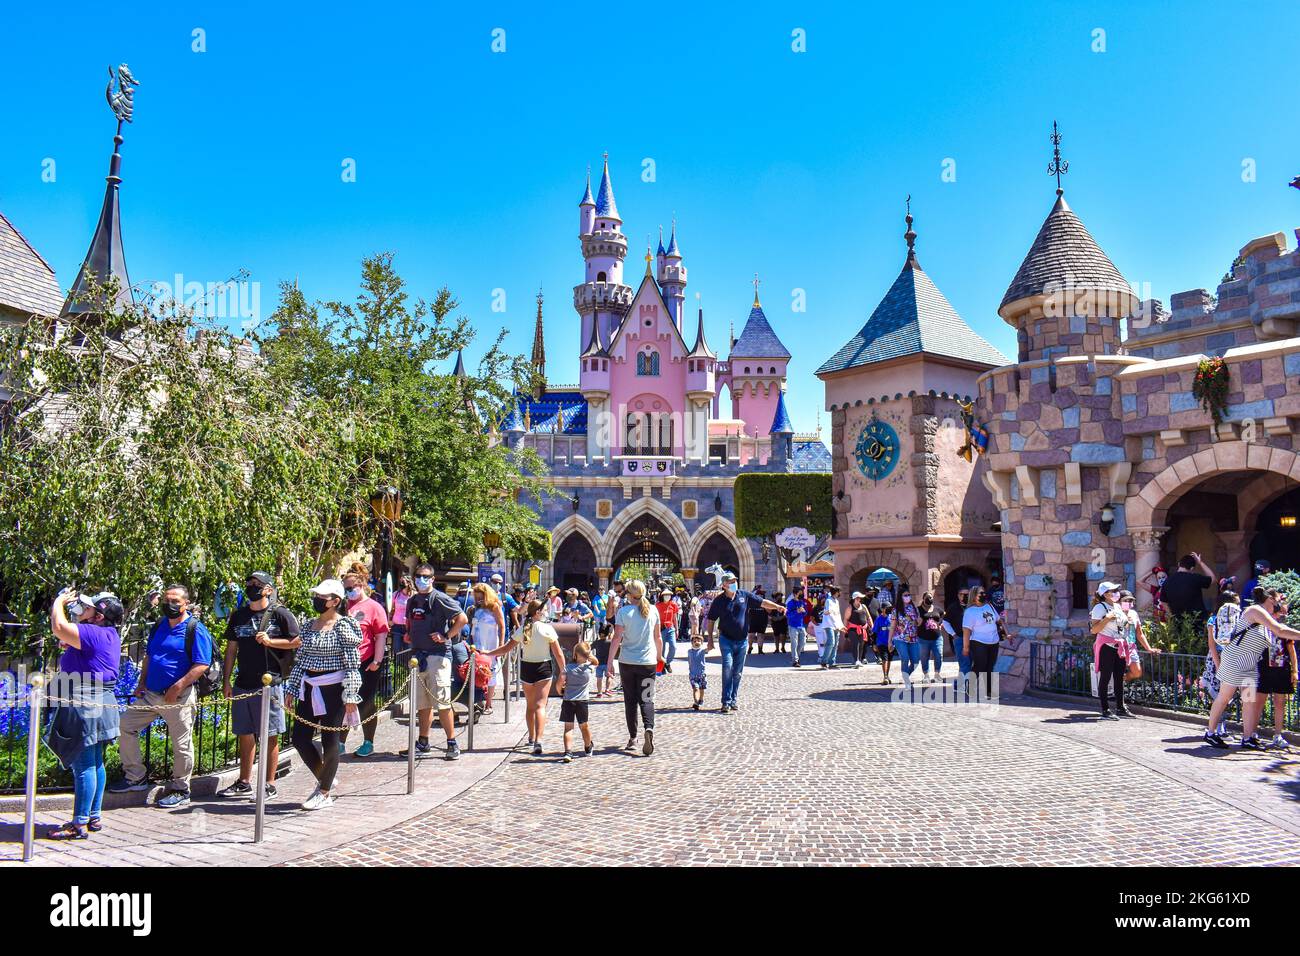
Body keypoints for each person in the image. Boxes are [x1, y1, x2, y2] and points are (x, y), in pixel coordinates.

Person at [111, 584, 214, 808]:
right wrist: (141, 682)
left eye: (175, 601)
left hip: (179, 698)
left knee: (181, 744)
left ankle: (180, 788)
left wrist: (178, 686)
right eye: (167, 600)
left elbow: (202, 664)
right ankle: (135, 776)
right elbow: (149, 656)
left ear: (186, 603)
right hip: (150, 695)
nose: (170, 605)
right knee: (125, 725)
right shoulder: (159, 625)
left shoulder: (195, 629)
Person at [45, 589, 123, 839]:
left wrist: (59, 601)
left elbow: (58, 625)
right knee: (96, 761)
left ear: (99, 616)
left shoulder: (91, 632)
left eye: (88, 608)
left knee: (83, 764)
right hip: (102, 704)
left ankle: (78, 824)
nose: (82, 610)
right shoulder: (108, 633)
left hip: (85, 705)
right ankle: (93, 816)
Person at [283, 579, 363, 810]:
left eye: (322, 597)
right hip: (309, 686)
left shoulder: (344, 626)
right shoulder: (308, 626)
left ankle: (324, 792)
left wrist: (350, 696)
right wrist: (292, 688)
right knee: (300, 738)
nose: (317, 600)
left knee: (331, 741)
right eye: (317, 596)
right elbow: (301, 661)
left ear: (335, 601)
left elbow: (352, 664)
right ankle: (325, 776)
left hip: (333, 688)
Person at [220, 572, 300, 796]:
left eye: (256, 584)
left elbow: (297, 640)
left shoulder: (280, 614)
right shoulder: (239, 615)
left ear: (268, 589)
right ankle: (244, 781)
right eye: (249, 583)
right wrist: (226, 680)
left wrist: (271, 641)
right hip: (243, 682)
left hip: (269, 683)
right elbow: (231, 649)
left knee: (270, 734)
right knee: (244, 733)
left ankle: (269, 784)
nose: (251, 587)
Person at [1205, 587, 1300, 750]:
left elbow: (1279, 632)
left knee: (1248, 701)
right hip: (1235, 661)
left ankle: (1247, 738)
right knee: (1224, 698)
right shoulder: (1255, 610)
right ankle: (1210, 733)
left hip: (1249, 665)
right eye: (1277, 601)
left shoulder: (1266, 617)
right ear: (1269, 599)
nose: (1278, 605)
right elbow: (1280, 631)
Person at [479, 599, 565, 755]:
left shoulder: (523, 629)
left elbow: (506, 648)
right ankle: (538, 740)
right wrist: (563, 671)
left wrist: (489, 653)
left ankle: (531, 737)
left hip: (526, 668)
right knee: (540, 706)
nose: (546, 612)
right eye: (544, 610)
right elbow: (558, 653)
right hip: (543, 667)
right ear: (538, 612)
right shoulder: (547, 629)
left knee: (530, 706)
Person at [401, 563, 468, 760]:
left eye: (425, 576)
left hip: (438, 656)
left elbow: (462, 619)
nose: (421, 579)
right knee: (422, 703)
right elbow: (411, 622)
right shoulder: (413, 600)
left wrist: (446, 635)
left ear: (432, 579)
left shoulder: (439, 598)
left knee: (442, 701)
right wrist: (408, 634)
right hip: (418, 655)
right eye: (418, 575)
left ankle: (452, 743)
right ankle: (423, 741)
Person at [706, 573, 783, 713]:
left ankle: (733, 699)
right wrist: (710, 640)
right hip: (726, 639)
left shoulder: (744, 596)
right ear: (724, 585)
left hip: (742, 641)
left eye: (735, 580)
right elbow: (711, 620)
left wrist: (777, 606)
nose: (734, 583)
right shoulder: (719, 601)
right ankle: (726, 701)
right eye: (731, 581)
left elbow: (762, 602)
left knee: (738, 673)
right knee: (727, 668)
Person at [608, 580, 664, 752]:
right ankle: (649, 728)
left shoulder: (623, 612)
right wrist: (660, 656)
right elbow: (658, 637)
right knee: (647, 699)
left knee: (630, 701)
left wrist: (610, 661)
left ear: (629, 594)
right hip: (648, 663)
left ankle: (633, 738)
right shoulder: (653, 610)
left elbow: (617, 638)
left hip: (627, 662)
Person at [341, 567, 389, 757]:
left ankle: (368, 741)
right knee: (343, 701)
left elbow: (381, 635)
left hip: (366, 661)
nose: (349, 592)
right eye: (346, 588)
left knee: (366, 702)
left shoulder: (374, 607)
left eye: (351, 587)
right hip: (344, 663)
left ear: (361, 586)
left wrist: (377, 661)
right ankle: (340, 742)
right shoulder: (343, 606)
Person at [1253, 589, 1295, 750]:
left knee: (1280, 702)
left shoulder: (1284, 629)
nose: (1278, 616)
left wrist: (1294, 670)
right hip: (1264, 668)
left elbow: (1291, 650)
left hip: (1281, 668)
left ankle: (1278, 734)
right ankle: (1253, 731)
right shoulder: (1262, 627)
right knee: (1259, 702)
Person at [1201, 590, 1240, 738]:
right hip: (1217, 657)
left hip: (1231, 657)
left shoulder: (1237, 619)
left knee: (1228, 694)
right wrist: (1218, 665)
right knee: (1219, 693)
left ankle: (1222, 725)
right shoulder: (1213, 620)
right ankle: (1216, 725)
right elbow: (1212, 645)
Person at [1090, 582, 1131, 719]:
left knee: (1119, 677)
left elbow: (1121, 625)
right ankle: (1105, 710)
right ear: (1105, 594)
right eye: (1113, 590)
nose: (1116, 592)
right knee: (1106, 677)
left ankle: (1120, 707)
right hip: (1106, 646)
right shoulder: (1099, 608)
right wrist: (1107, 619)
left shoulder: (1118, 606)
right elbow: (1094, 630)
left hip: (1119, 645)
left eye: (1116, 590)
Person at [469, 582, 506, 717]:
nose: (478, 599)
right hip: (478, 644)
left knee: (491, 673)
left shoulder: (494, 607)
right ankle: (479, 701)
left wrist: (501, 646)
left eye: (481, 597)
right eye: (477, 596)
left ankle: (488, 703)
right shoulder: (476, 609)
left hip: (490, 644)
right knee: (478, 672)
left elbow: (502, 627)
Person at [559, 641, 597, 763]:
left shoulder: (567, 668)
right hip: (582, 701)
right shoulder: (589, 668)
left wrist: (560, 691)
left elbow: (560, 682)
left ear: (575, 654)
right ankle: (588, 747)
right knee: (584, 726)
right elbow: (596, 662)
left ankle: (568, 752)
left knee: (568, 728)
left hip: (568, 700)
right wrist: (590, 656)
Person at [961, 586, 1002, 699]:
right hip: (978, 641)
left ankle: (989, 692)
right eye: (981, 593)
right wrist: (966, 647)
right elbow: (966, 630)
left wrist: (1006, 634)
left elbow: (999, 620)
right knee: (980, 665)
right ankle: (970, 685)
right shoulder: (970, 611)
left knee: (990, 666)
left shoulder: (989, 606)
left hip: (994, 641)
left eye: (984, 592)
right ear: (974, 596)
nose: (984, 595)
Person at [1160, 553, 1214, 630]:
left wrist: (1171, 615)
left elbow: (1163, 601)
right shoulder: (1195, 578)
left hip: (1178, 623)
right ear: (1192, 568)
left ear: (1179, 564)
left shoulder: (1167, 581)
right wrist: (1200, 562)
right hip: (1197, 622)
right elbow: (1212, 578)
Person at [888, 590, 921, 682]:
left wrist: (919, 621)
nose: (907, 597)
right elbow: (893, 626)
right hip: (900, 638)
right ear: (900, 597)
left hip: (913, 638)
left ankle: (906, 675)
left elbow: (917, 623)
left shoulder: (914, 608)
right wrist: (889, 641)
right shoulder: (896, 610)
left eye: (908, 595)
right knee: (905, 658)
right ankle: (907, 681)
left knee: (915, 661)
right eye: (905, 595)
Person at [917, 592, 945, 683]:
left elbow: (944, 614)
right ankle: (926, 675)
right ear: (923, 598)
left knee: (938, 655)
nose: (930, 599)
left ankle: (937, 674)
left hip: (937, 638)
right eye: (928, 597)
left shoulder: (937, 609)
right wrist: (917, 623)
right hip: (923, 639)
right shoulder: (919, 610)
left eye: (931, 597)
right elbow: (913, 619)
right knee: (924, 657)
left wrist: (940, 623)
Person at [655, 588, 679, 673]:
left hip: (670, 627)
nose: (667, 596)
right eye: (665, 595)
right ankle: (662, 665)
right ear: (662, 596)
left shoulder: (673, 605)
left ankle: (667, 663)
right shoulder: (657, 605)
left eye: (669, 595)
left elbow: (675, 617)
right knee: (662, 648)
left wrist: (677, 629)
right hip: (661, 628)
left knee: (673, 646)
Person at [786, 586, 810, 667]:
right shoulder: (790, 603)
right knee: (794, 643)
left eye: (801, 593)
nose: (801, 594)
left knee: (803, 642)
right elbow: (788, 615)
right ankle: (795, 660)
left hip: (801, 625)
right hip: (793, 626)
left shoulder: (802, 602)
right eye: (799, 593)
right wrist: (797, 611)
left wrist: (803, 612)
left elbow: (805, 613)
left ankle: (797, 656)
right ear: (795, 594)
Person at [391, 574, 413, 660]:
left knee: (408, 649)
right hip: (397, 625)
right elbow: (390, 608)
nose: (401, 583)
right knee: (396, 649)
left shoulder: (413, 595)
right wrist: (389, 619)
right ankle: (397, 667)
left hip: (409, 626)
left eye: (403, 581)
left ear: (408, 583)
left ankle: (407, 669)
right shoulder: (396, 595)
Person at [871, 605, 894, 684]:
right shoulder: (878, 619)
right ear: (882, 609)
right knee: (884, 659)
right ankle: (885, 677)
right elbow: (874, 632)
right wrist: (874, 644)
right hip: (881, 643)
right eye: (887, 608)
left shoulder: (892, 618)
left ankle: (887, 675)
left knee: (890, 660)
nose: (888, 609)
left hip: (891, 643)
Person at [688, 632, 708, 711]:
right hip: (693, 675)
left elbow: (708, 648)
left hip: (702, 675)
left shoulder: (703, 651)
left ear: (702, 643)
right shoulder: (689, 651)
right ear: (692, 643)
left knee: (702, 689)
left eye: (699, 641)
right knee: (696, 688)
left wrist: (711, 643)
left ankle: (701, 699)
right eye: (694, 641)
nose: (697, 642)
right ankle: (696, 702)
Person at [748, 585, 770, 654]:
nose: (759, 595)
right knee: (751, 635)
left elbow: (769, 611)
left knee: (760, 635)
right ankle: (750, 647)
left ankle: (760, 649)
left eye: (761, 594)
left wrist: (765, 606)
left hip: (762, 620)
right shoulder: (751, 601)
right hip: (752, 619)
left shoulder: (765, 601)